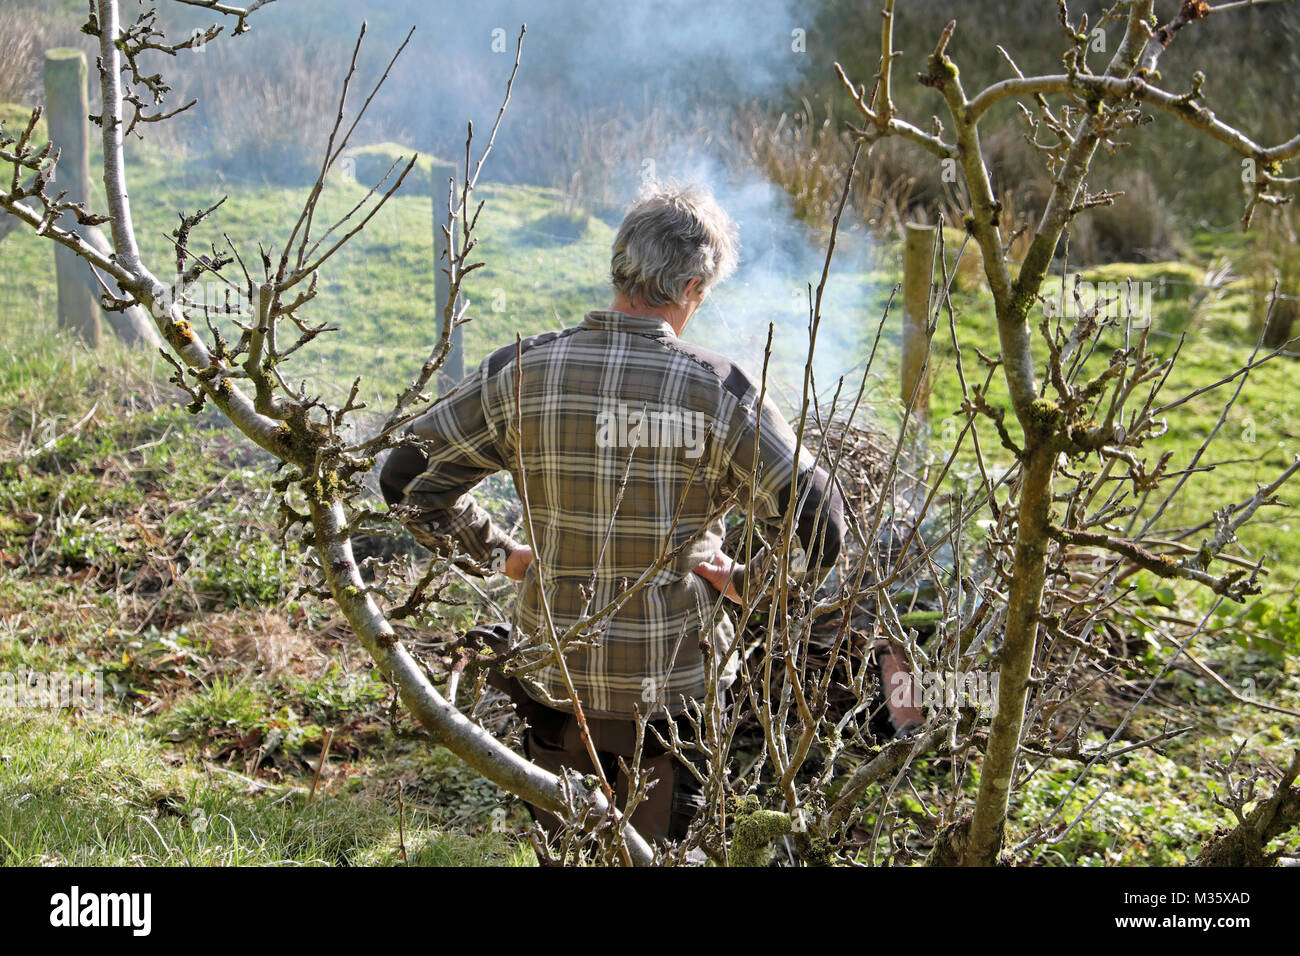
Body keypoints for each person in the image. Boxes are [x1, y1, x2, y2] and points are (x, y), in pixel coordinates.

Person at [380, 182, 847, 843]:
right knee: (656, 852)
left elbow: (406, 478)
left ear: (618, 266)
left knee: (564, 847)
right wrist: (752, 584)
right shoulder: (721, 391)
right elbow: (819, 520)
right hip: (669, 699)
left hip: (552, 681)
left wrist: (500, 555)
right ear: (692, 287)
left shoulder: (520, 370)